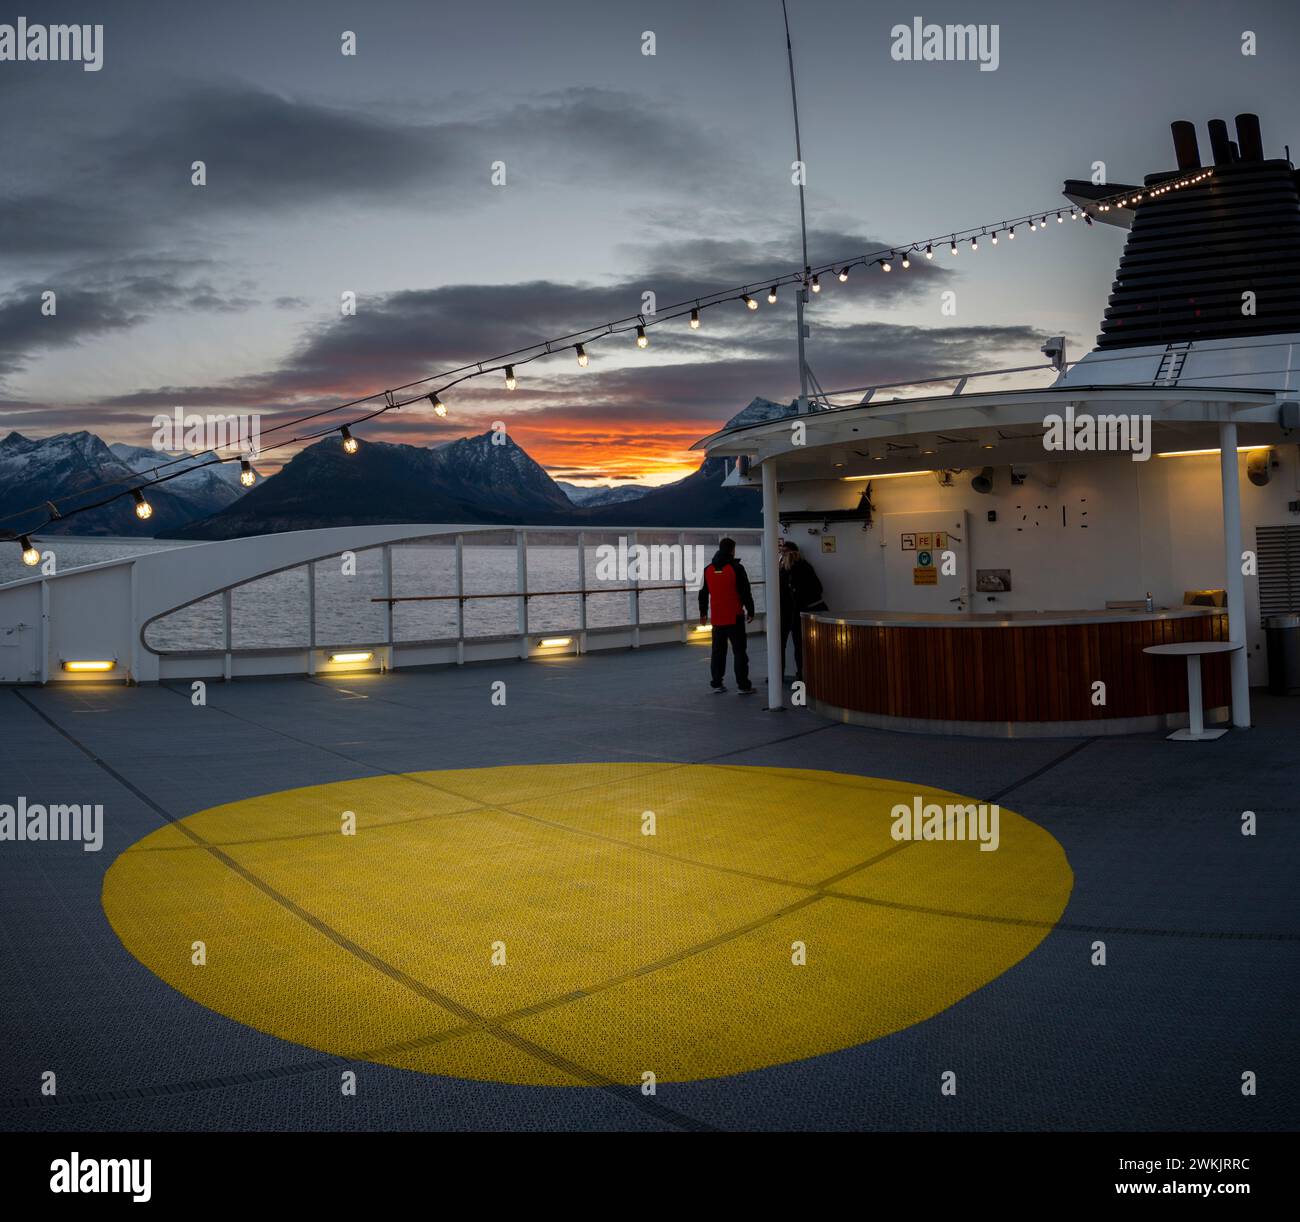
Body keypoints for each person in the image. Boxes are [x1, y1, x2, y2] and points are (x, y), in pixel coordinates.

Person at [698, 536, 755, 694]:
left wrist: (703, 612)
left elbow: (703, 593)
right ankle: (743, 685)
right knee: (739, 652)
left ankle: (717, 683)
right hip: (734, 616)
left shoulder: (708, 569)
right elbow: (745, 592)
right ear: (732, 550)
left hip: (717, 618)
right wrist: (751, 610)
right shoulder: (736, 568)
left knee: (717, 652)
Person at [778, 540, 824, 683]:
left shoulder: (785, 570)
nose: (782, 554)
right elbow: (818, 589)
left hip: (789, 611)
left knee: (782, 643)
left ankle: (779, 673)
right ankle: (801, 673)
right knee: (799, 644)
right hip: (796, 611)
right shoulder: (805, 566)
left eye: (783, 552)